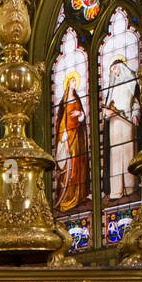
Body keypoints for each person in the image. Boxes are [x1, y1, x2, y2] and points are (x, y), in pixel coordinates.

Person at [102, 57, 139, 200]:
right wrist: (107, 113)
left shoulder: (130, 85)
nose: (115, 73)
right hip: (114, 125)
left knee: (128, 153)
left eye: (116, 69)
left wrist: (136, 115)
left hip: (127, 122)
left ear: (121, 67)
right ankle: (116, 189)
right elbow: (106, 108)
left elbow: (136, 103)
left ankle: (130, 186)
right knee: (116, 155)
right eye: (112, 71)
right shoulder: (112, 90)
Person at [53, 74, 89, 212]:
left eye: (75, 81)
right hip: (68, 137)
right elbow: (62, 122)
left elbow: (82, 116)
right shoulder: (64, 102)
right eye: (72, 81)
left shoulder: (77, 99)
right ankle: (67, 197)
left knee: (79, 164)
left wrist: (80, 115)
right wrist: (64, 137)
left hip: (78, 136)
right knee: (70, 168)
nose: (74, 83)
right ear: (68, 83)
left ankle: (79, 196)